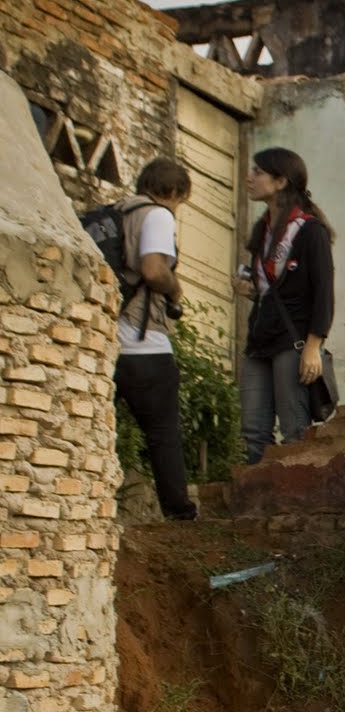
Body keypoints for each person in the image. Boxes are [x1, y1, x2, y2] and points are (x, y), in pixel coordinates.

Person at [232, 148, 335, 465]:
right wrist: (250, 291)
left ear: (280, 181)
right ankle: (257, 504)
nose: (249, 178)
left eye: (258, 172)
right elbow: (274, 289)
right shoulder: (263, 229)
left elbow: (323, 293)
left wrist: (313, 346)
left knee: (294, 431)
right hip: (260, 339)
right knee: (253, 431)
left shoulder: (309, 230)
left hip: (293, 342)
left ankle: (298, 506)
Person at [112, 158, 198, 519]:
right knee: (163, 430)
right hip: (144, 341)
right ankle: (178, 514)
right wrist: (175, 291)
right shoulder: (158, 214)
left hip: (109, 339)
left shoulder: (116, 212)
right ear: (174, 192)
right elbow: (152, 268)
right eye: (180, 201)